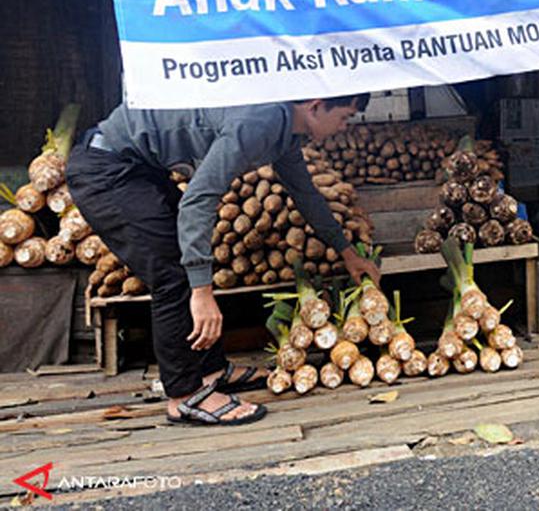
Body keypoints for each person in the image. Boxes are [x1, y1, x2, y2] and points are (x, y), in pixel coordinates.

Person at [66, 96, 383, 425]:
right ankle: (184, 396)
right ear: (316, 106)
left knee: (188, 257)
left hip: (136, 168)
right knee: (173, 275)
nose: (345, 127)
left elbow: (304, 192)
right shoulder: (263, 120)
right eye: (345, 117)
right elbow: (198, 200)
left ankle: (211, 371)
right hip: (106, 170)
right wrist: (202, 294)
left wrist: (347, 253)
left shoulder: (284, 131)